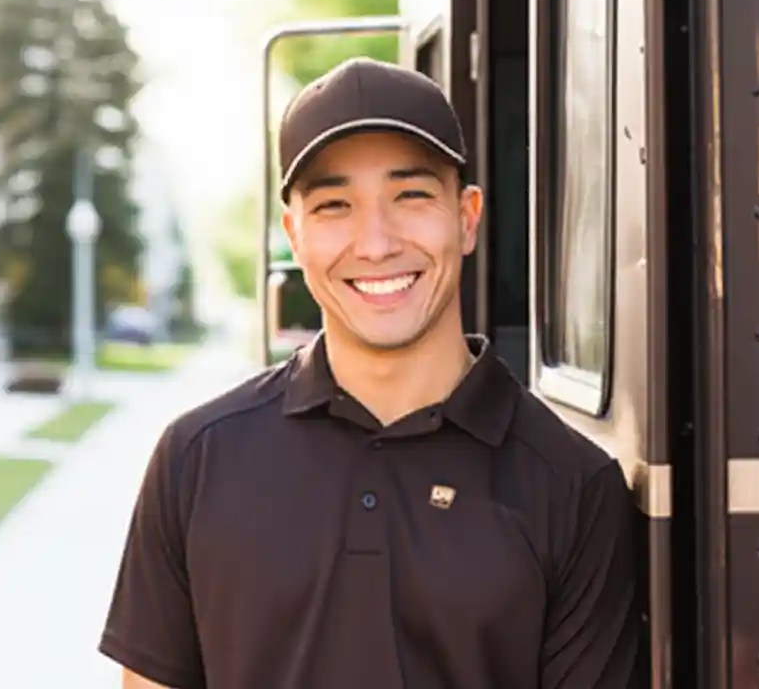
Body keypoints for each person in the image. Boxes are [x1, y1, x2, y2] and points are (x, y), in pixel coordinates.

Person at [99, 57, 646, 689]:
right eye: (335, 206)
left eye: (410, 196)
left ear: (467, 218)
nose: (376, 242)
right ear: (294, 235)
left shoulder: (574, 485)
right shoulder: (196, 458)